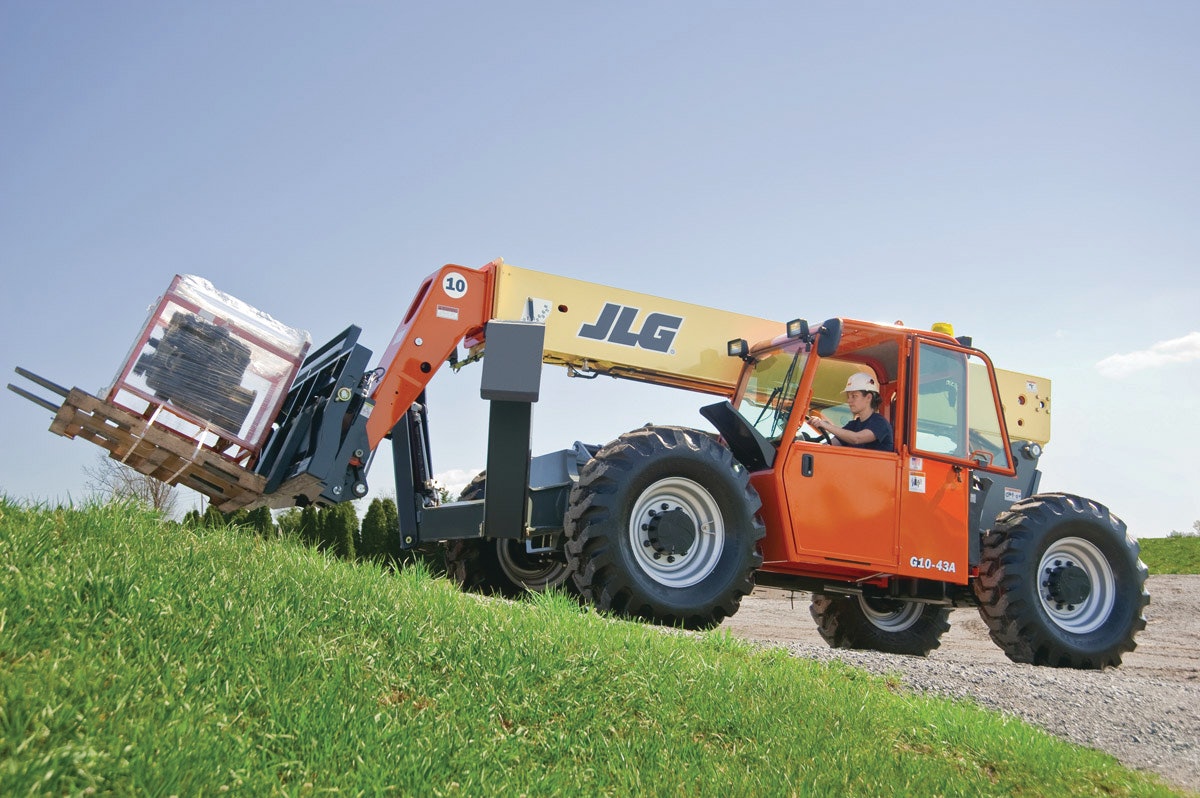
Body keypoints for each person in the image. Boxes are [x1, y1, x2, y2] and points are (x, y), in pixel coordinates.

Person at [809, 372, 893, 451]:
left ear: (868, 397)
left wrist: (825, 425)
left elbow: (857, 438)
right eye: (848, 396)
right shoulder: (853, 425)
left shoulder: (880, 423)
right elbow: (832, 443)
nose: (849, 401)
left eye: (854, 396)